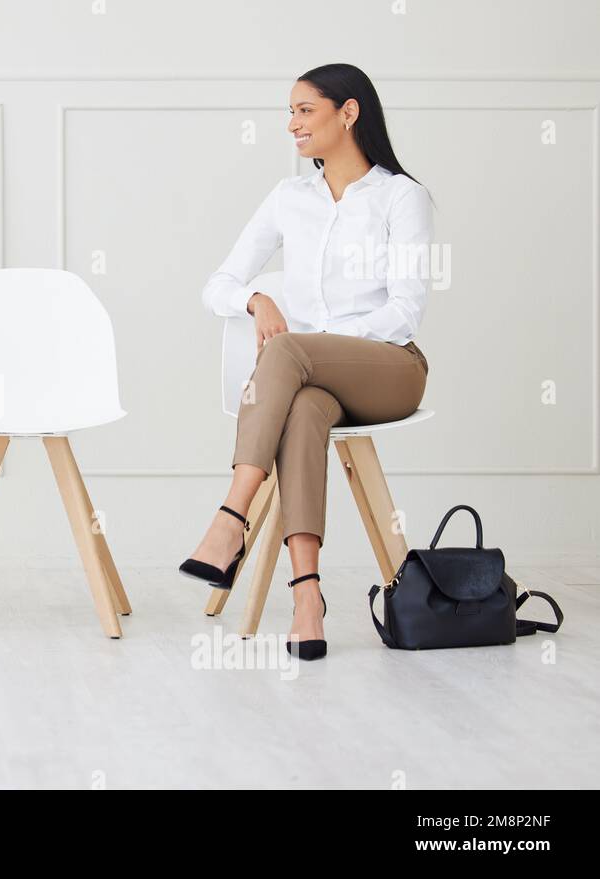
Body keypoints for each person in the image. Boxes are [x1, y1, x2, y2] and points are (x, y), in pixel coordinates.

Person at [178, 63, 433, 661]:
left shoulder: (401, 197)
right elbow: (217, 285)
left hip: (391, 367)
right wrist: (256, 298)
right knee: (305, 410)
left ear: (349, 113)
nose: (291, 124)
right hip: (316, 380)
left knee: (290, 349)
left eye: (304, 110)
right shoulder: (289, 198)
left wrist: (318, 343)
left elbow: (405, 313)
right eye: (289, 112)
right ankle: (307, 600)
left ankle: (229, 517)